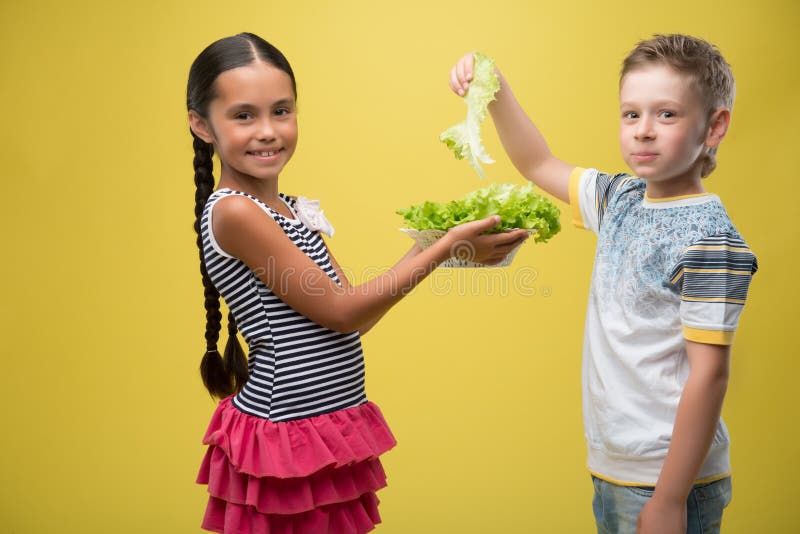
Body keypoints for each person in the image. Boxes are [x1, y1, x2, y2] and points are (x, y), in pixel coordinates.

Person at [186, 33, 529, 534]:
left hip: (323, 425)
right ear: (202, 125)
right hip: (285, 433)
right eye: (244, 116)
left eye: (281, 111)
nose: (267, 131)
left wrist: (436, 242)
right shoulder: (236, 212)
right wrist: (446, 249)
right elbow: (343, 313)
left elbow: (351, 315)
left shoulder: (289, 209)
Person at [449, 34, 757, 534]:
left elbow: (710, 376)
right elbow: (537, 163)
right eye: (631, 114)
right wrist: (494, 87)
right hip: (615, 467)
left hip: (669, 479)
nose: (643, 131)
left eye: (667, 114)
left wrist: (670, 499)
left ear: (714, 126)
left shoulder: (710, 241)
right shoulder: (621, 199)